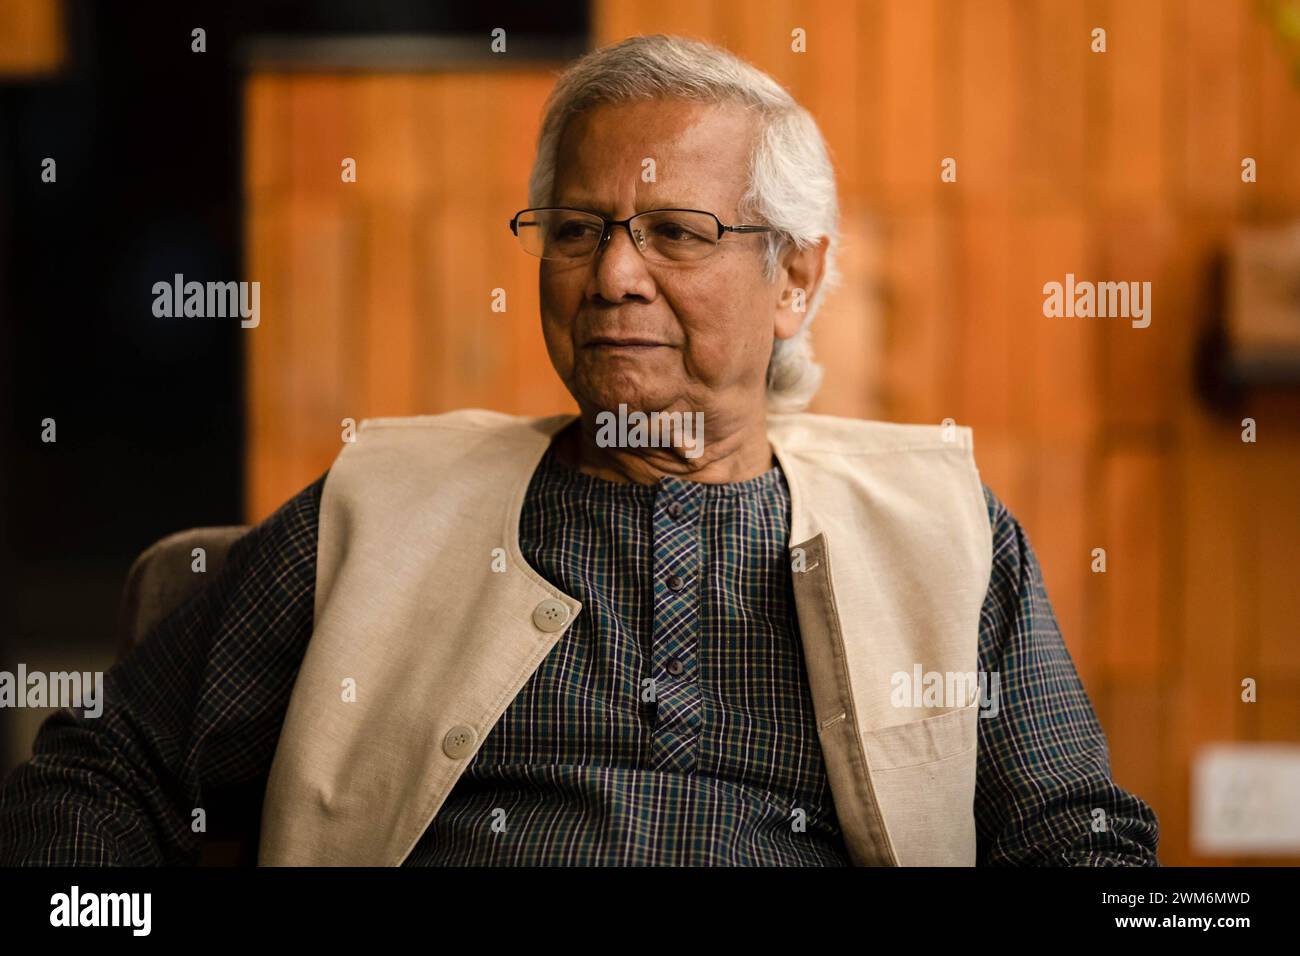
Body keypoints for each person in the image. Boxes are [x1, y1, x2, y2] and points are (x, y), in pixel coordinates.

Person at [0, 34, 1158, 866]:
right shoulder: (381, 507)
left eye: (674, 232)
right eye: (579, 230)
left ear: (794, 276)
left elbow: (1073, 828)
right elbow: (103, 773)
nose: (612, 274)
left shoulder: (943, 532)